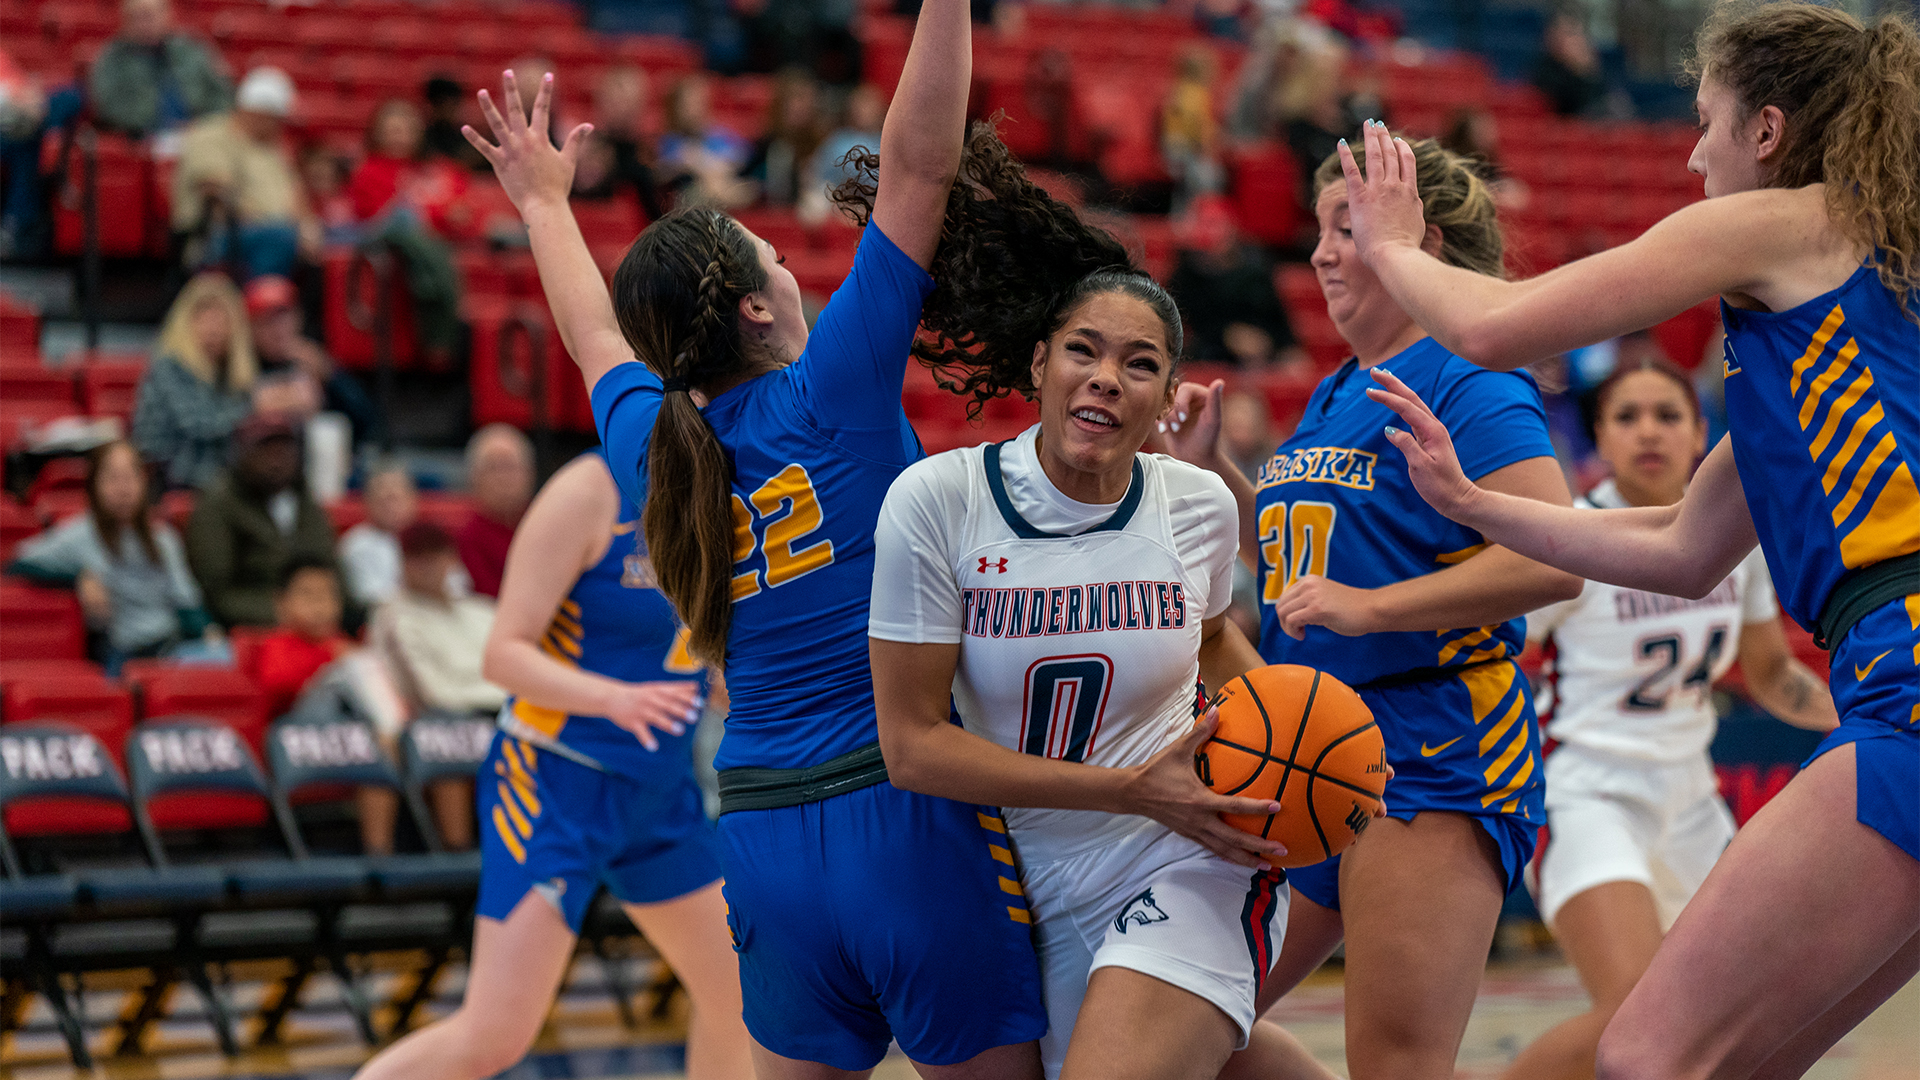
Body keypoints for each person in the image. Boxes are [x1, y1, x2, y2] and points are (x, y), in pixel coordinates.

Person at [460, 1, 1051, 1071]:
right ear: (752, 308)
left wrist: (544, 203)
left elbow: (592, 332)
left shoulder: (655, 447)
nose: (793, 269)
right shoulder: (834, 393)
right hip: (904, 814)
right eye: (775, 258)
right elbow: (918, 167)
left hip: (765, 833)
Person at [1342, 2, 1918, 1071]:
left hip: (1909, 669)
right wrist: (1475, 505)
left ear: (1768, 132)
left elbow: (1490, 328)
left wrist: (1391, 245)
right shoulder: (1847, 321)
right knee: (1748, 1057)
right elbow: (1683, 547)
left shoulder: (1784, 222)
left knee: (1643, 1052)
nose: (1693, 154)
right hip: (1885, 661)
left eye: (1708, 122)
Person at [1158, 135, 1582, 1080]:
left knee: (1395, 1061)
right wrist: (1218, 475)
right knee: (1188, 1027)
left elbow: (1556, 557)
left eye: (1344, 228)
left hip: (1432, 743)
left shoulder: (1466, 372)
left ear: (1411, 242)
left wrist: (1375, 607)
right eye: (1317, 230)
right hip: (1315, 746)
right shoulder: (1342, 385)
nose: (1317, 252)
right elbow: (1312, 567)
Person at [864, 253, 1344, 1078]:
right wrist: (1125, 790)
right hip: (1024, 888)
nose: (1108, 378)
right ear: (1041, 362)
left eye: (1141, 363)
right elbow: (911, 748)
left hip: (1192, 848)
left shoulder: (1196, 504)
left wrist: (1299, 749)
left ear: (1166, 394)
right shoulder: (938, 499)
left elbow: (1216, 639)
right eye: (1084, 350)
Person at [351, 452, 748, 1079]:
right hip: (555, 782)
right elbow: (502, 655)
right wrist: (610, 698)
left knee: (741, 991)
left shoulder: (716, 488)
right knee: (495, 1036)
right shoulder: (588, 491)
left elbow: (703, 649)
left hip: (657, 792)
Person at [1501, 358, 1837, 1080]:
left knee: (1730, 1023)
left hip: (1692, 799)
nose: (1648, 431)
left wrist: (1866, 719)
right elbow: (1499, 656)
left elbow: (1773, 673)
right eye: (1627, 417)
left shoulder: (1730, 542)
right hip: (1587, 793)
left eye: (1667, 415)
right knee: (1632, 1018)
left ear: (1699, 438)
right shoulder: (1573, 539)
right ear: (1599, 440)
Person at [5, 441, 211, 672]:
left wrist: (210, 636)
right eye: (113, 478)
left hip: (171, 647)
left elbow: (187, 602)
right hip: (119, 654)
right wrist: (77, 578)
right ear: (94, 485)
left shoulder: (163, 538)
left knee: (219, 666)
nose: (123, 489)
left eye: (130, 477)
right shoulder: (80, 534)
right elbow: (17, 564)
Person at [133, 272, 310, 490]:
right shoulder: (170, 366)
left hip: (219, 484)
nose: (213, 329)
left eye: (221, 319)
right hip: (169, 480)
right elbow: (200, 423)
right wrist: (255, 405)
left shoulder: (231, 371)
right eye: (204, 318)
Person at [348, 99, 472, 366]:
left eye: (405, 130)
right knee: (409, 229)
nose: (399, 137)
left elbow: (463, 213)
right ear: (377, 134)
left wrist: (434, 216)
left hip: (432, 247)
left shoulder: (437, 169)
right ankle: (435, 314)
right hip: (383, 245)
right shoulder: (368, 171)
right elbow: (375, 218)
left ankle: (433, 291)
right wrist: (435, 215)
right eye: (392, 130)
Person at [184, 415, 338, 630]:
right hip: (252, 629)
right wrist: (283, 611)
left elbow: (330, 566)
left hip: (316, 623)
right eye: (266, 450)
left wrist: (338, 609)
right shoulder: (219, 502)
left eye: (284, 450)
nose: (277, 460)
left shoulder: (304, 498)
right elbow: (216, 592)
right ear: (242, 454)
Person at [170, 67, 317, 280]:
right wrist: (283, 228)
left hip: (275, 233)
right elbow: (215, 195)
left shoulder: (271, 149)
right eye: (277, 119)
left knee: (341, 239)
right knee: (280, 237)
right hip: (219, 237)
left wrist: (308, 227)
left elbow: (297, 197)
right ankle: (261, 308)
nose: (280, 127)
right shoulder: (211, 135)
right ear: (258, 114)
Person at [246, 274, 377, 446]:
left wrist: (331, 375)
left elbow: (368, 424)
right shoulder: (241, 366)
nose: (277, 329)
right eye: (266, 321)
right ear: (250, 327)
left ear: (298, 318)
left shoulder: (315, 363)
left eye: (283, 318)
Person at [87, 0, 230, 139]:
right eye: (136, 17)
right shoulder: (114, 58)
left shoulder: (193, 49)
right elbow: (106, 106)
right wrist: (144, 123)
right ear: (125, 21)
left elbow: (222, 97)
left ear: (166, 14)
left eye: (149, 16)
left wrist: (202, 124)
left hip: (197, 137)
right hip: (138, 140)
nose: (144, 24)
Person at [455, 423, 534, 599]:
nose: (503, 478)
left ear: (529, 474)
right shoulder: (467, 537)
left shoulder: (546, 523)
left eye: (510, 466)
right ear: (474, 477)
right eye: (493, 468)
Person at [338, 465, 419, 607]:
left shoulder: (429, 539)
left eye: (396, 498)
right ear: (367, 502)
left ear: (413, 500)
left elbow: (456, 589)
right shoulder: (356, 545)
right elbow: (371, 598)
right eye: (384, 499)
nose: (391, 507)